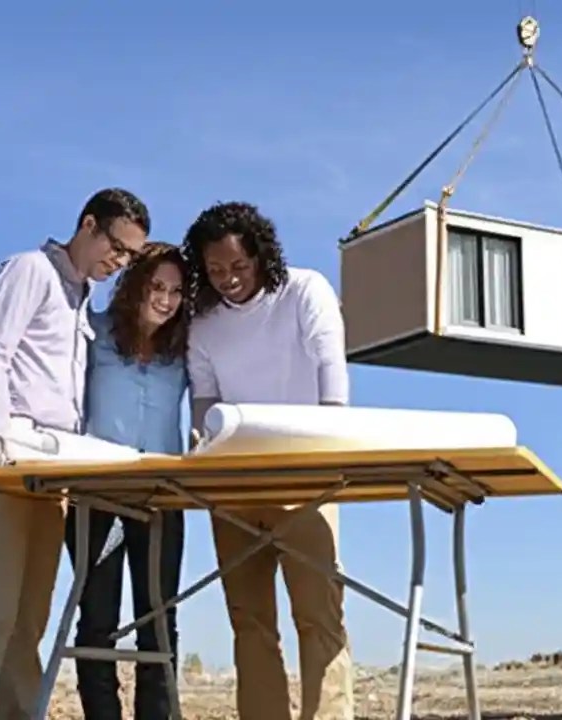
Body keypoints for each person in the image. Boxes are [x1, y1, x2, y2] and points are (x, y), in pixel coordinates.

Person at [0, 188, 151, 720]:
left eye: (128, 257)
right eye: (118, 248)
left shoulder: (81, 297)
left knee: (30, 612)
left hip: (53, 462)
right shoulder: (29, 270)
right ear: (88, 224)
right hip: (6, 450)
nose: (119, 262)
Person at [182, 200, 353, 720]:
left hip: (305, 475)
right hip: (234, 484)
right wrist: (200, 445)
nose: (228, 279)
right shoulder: (204, 322)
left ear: (260, 255)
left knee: (317, 614)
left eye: (238, 266)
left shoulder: (304, 290)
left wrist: (331, 447)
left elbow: (331, 368)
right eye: (214, 270)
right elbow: (205, 402)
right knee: (249, 621)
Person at [66, 242, 190, 720]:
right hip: (97, 497)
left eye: (176, 291)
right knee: (97, 617)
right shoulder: (93, 333)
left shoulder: (183, 348)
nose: (165, 299)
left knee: (158, 620)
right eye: (157, 286)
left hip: (162, 499)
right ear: (134, 283)